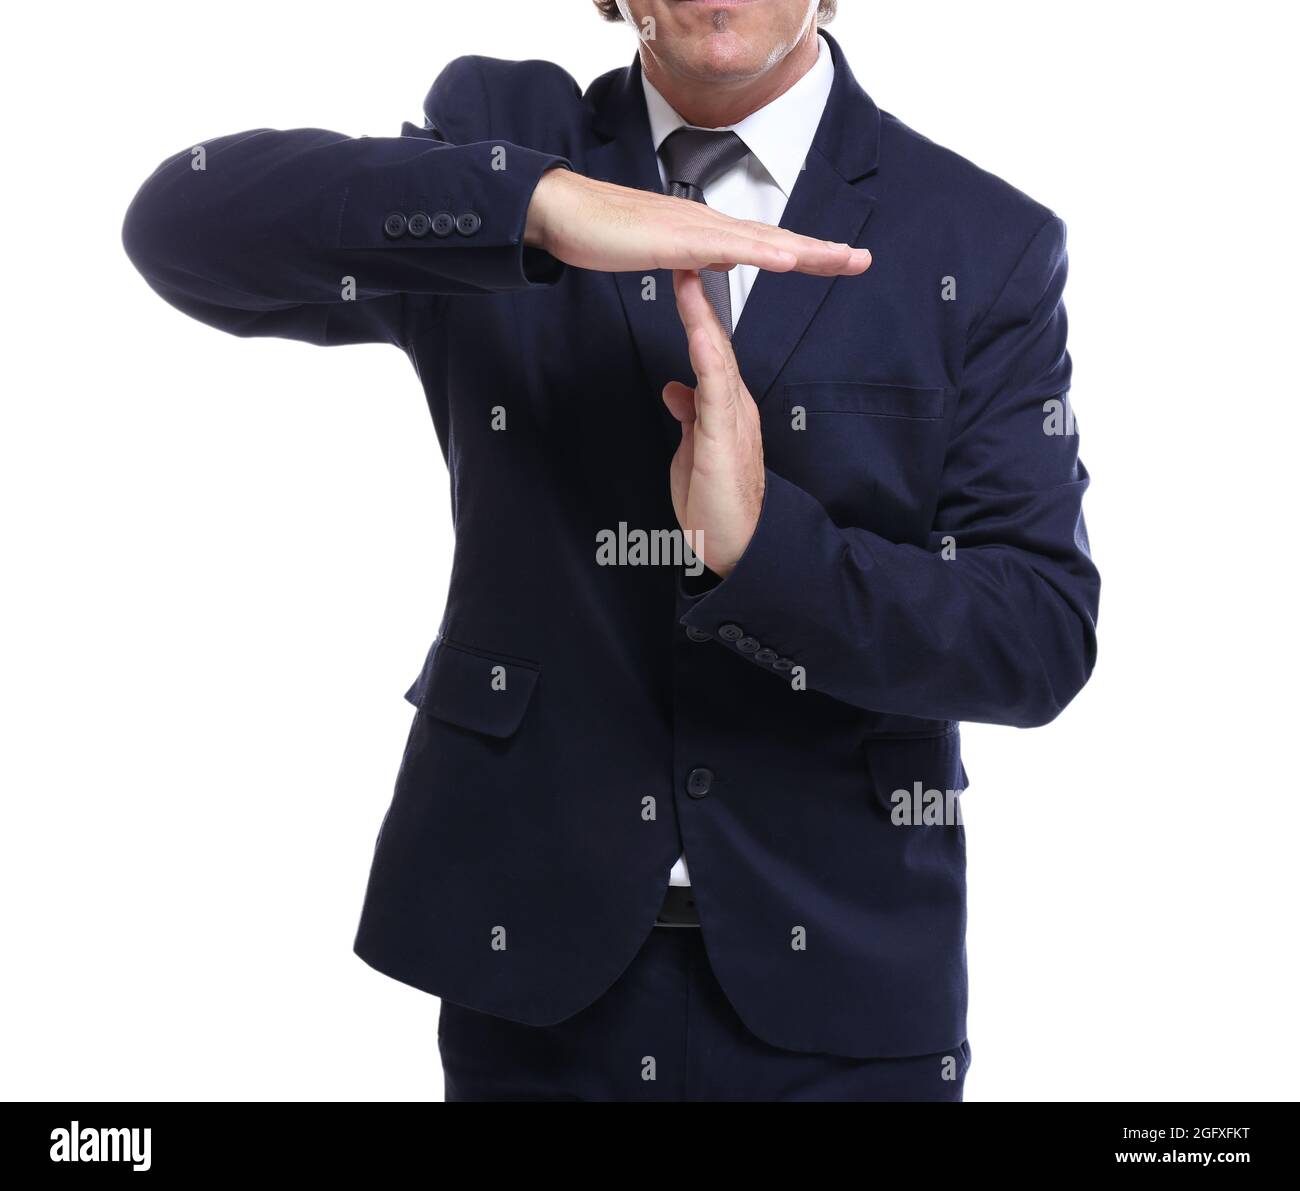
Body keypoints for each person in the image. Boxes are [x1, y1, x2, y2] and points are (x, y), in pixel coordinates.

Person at [122, 0, 1099, 1101]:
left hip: (843, 986)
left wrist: (764, 548)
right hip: (535, 976)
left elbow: (1035, 633)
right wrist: (535, 208)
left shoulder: (984, 239)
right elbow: (180, 224)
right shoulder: (499, 153)